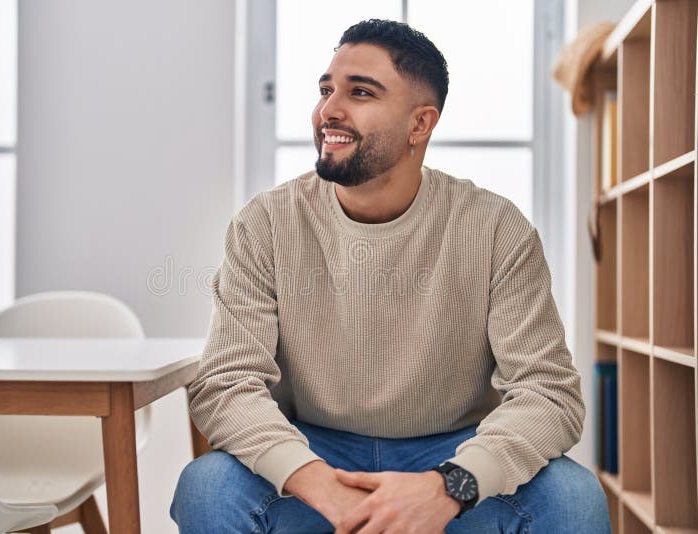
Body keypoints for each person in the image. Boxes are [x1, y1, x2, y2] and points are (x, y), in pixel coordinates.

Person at [171, 19, 610, 533]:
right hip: (315, 453)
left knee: (574, 499)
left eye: (360, 92)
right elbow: (227, 382)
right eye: (326, 90)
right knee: (207, 486)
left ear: (420, 125)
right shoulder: (264, 224)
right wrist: (316, 481)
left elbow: (549, 393)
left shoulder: (497, 229)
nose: (328, 110)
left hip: (454, 457)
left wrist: (450, 486)